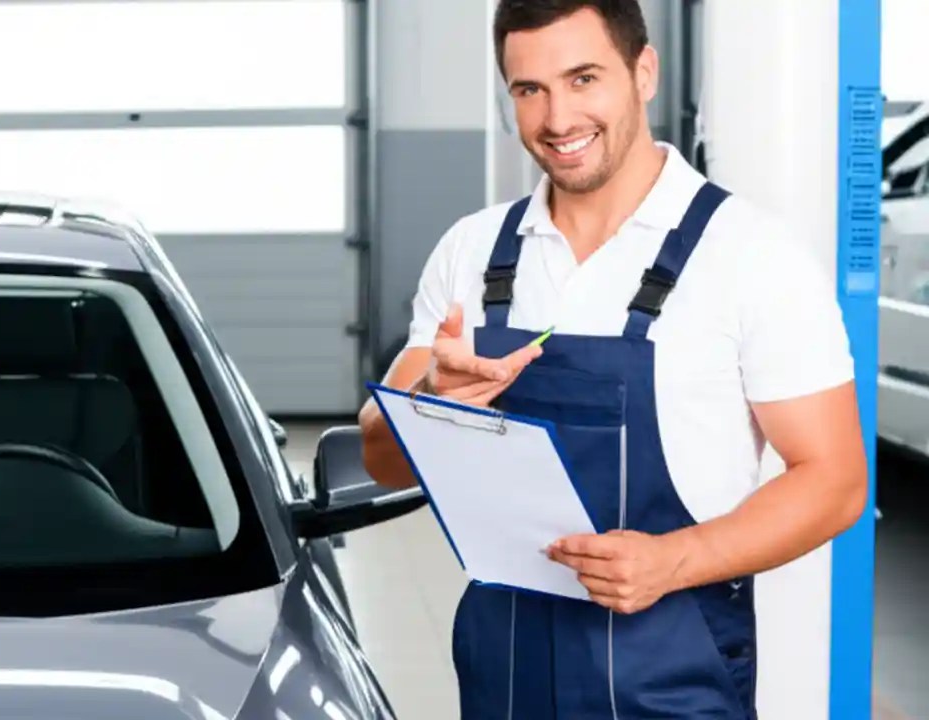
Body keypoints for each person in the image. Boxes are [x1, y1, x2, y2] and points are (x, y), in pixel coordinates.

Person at [357, 0, 869, 717]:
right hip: (506, 671)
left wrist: (673, 561)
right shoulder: (470, 251)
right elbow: (380, 459)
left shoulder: (752, 255)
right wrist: (429, 407)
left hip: (673, 675)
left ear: (643, 72)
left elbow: (836, 480)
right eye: (529, 89)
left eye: (584, 79)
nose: (557, 118)